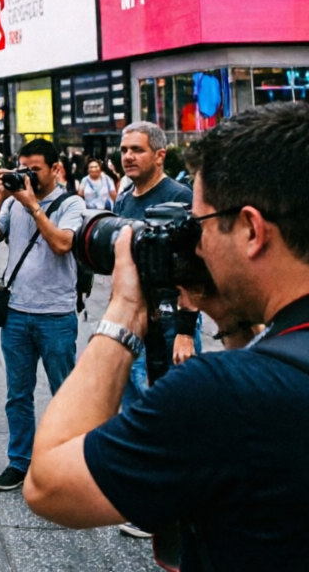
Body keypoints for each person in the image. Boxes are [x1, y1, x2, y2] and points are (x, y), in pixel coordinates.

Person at [24, 103, 309, 569]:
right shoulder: (308, 354)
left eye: (197, 225)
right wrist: (234, 319)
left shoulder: (226, 394)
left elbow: (49, 483)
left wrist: (124, 310)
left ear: (250, 230)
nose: (194, 245)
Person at [0, 139, 87, 492]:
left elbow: (62, 244)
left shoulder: (71, 203)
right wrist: (0, 197)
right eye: (23, 168)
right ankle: (19, 461)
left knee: (63, 393)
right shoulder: (15, 202)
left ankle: (68, 463)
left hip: (55, 315)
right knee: (17, 394)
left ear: (55, 169)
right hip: (16, 315)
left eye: (34, 169)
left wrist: (33, 205)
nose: (28, 175)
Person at [113, 122, 200, 424]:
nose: (128, 156)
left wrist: (185, 331)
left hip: (169, 323)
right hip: (132, 320)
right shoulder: (123, 199)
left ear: (160, 155)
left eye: (137, 149)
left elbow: (193, 266)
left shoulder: (180, 197)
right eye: (124, 150)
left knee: (179, 411)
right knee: (136, 409)